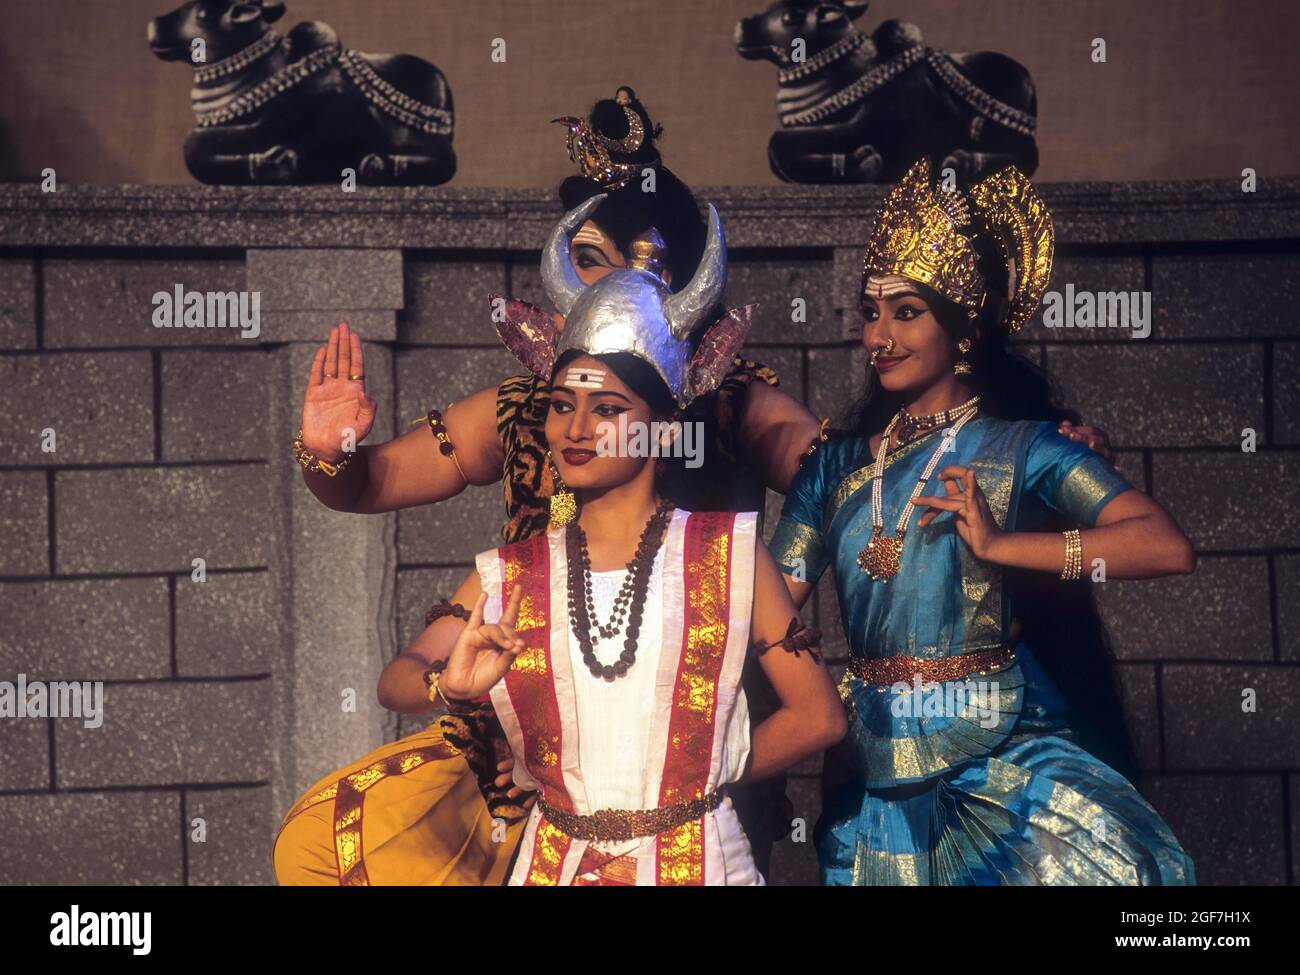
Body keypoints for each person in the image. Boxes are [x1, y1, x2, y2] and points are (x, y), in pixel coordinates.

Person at [279, 199, 844, 885]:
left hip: (699, 857)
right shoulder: (517, 572)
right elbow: (398, 677)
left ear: (665, 428)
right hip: (554, 860)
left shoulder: (724, 552)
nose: (577, 426)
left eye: (607, 409)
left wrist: (698, 772)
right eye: (562, 404)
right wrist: (450, 685)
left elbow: (819, 715)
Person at [770, 157, 1197, 885]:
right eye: (871, 311)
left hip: (1002, 746)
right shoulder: (832, 465)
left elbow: (1163, 545)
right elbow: (769, 605)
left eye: (906, 312)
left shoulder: (1023, 445)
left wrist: (1005, 544)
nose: (879, 335)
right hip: (868, 767)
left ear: (962, 328)